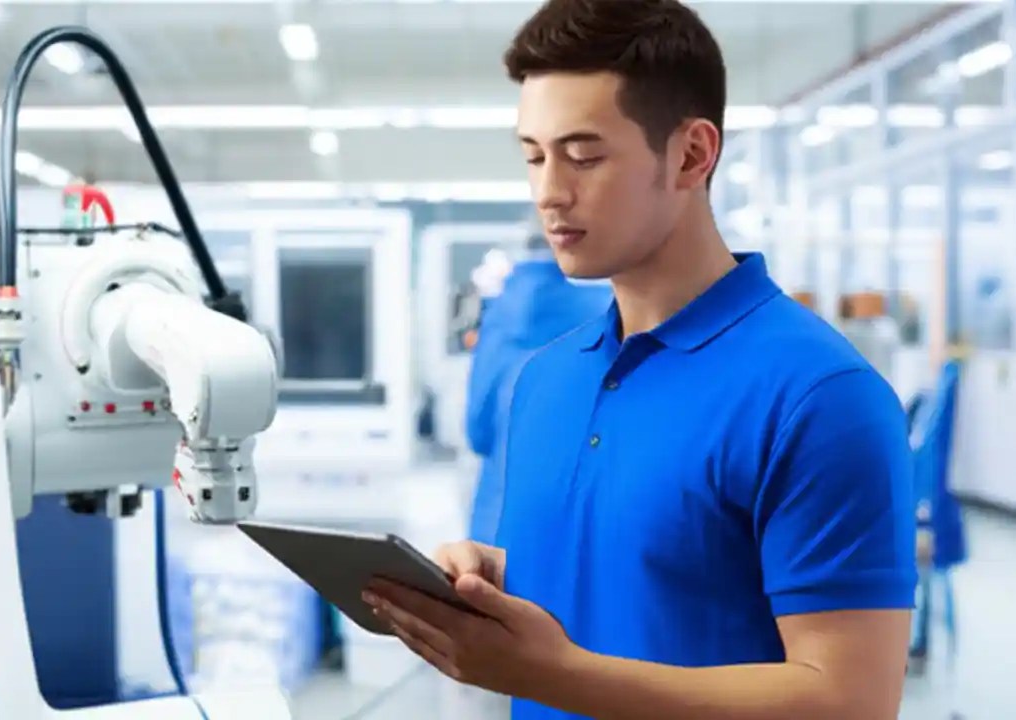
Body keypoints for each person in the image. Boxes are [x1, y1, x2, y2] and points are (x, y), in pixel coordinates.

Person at [364, 1, 916, 719]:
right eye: (534, 155)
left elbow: (849, 701)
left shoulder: (819, 397)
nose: (548, 192)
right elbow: (638, 574)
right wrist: (489, 581)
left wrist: (553, 675)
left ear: (691, 155)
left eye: (584, 156)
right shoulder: (546, 381)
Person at [464, 227, 610, 545]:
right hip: (573, 525)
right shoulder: (607, 311)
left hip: (496, 524)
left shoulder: (498, 320)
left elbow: (478, 432)